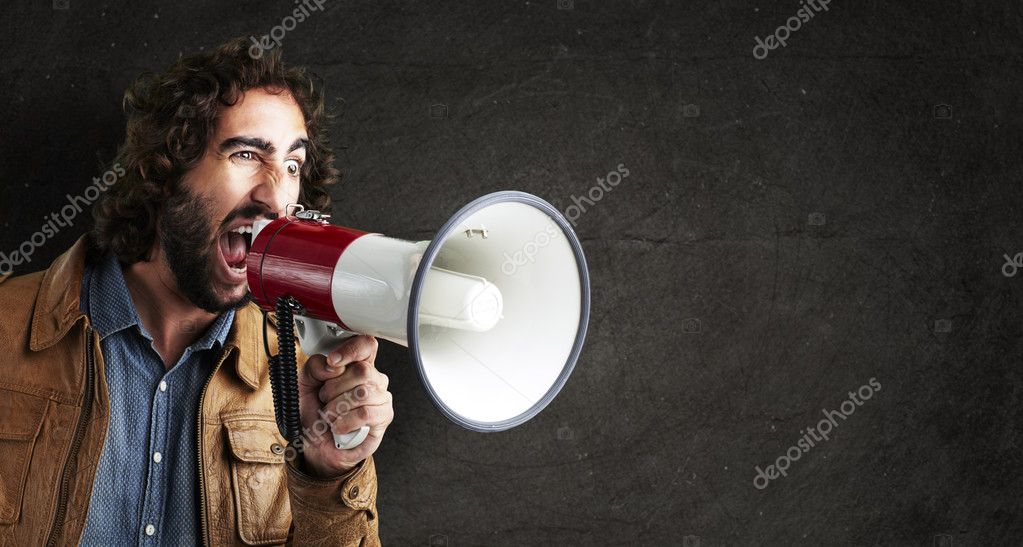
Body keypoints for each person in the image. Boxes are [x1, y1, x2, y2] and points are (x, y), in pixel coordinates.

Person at [0, 37, 392, 546]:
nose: (277, 197)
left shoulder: (305, 376)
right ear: (166, 172)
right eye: (248, 154)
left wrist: (326, 475)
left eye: (292, 166)